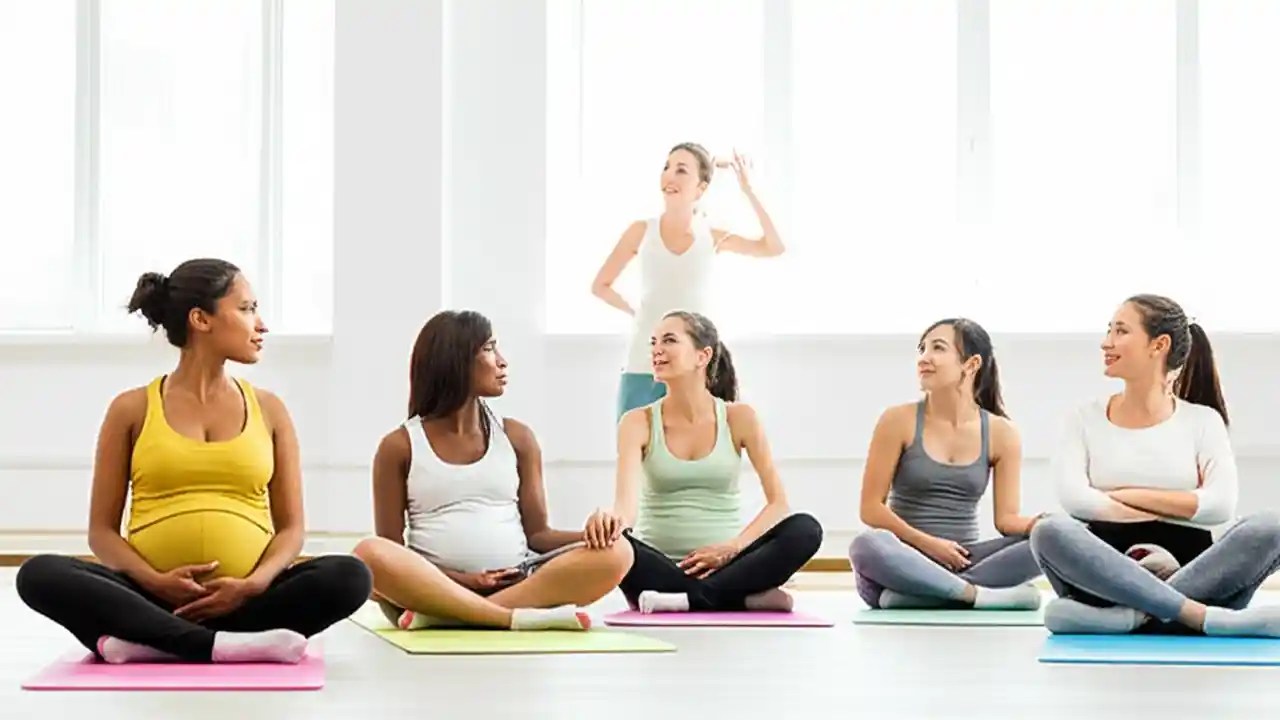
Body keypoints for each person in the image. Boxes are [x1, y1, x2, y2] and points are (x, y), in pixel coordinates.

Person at [15, 259, 371, 664]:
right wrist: (157, 582)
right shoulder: (130, 409)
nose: (262, 325)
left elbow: (292, 530)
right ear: (201, 319)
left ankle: (156, 641)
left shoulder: (270, 410)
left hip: (248, 602)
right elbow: (101, 533)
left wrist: (252, 584)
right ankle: (217, 644)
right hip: (150, 597)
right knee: (40, 573)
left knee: (349, 576)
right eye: (247, 308)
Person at [352, 310, 634, 631]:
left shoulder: (517, 437)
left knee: (619, 551)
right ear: (455, 360)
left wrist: (597, 533)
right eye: (489, 349)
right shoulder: (399, 445)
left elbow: (539, 535)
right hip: (431, 590)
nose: (502, 361)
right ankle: (500, 616)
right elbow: (391, 547)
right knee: (368, 555)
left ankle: (459, 617)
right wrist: (464, 581)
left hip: (517, 585)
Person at [1030, 294, 1280, 636]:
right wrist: (1180, 505)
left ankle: (1130, 617)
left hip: (1195, 572)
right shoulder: (1082, 418)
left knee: (1271, 526)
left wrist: (1126, 494)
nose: (1107, 342)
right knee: (1048, 530)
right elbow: (1075, 499)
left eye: (1120, 331)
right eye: (1109, 331)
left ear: (1158, 345)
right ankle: (1194, 616)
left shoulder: (1203, 421)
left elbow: (1220, 505)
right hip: (1106, 576)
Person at [585, 310, 823, 614]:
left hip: (731, 563)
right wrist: (609, 523)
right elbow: (625, 508)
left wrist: (731, 549)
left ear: (703, 356)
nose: (656, 350)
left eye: (669, 340)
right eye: (653, 342)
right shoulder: (637, 422)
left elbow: (778, 504)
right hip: (663, 566)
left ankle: (690, 599)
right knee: (617, 546)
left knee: (806, 529)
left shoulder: (740, 418)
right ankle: (737, 598)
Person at [849, 318, 1044, 610]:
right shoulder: (897, 420)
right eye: (922, 349)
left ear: (971, 364)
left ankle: (921, 595)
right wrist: (929, 544)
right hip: (904, 555)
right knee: (866, 545)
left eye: (938, 348)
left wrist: (1047, 525)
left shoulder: (1002, 433)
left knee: (1045, 542)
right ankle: (973, 595)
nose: (924, 358)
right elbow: (870, 509)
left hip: (963, 559)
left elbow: (1006, 520)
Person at [591, 143, 785, 420]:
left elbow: (773, 247)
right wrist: (637, 312)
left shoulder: (713, 236)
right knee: (635, 452)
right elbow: (601, 285)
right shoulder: (641, 231)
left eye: (681, 170)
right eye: (667, 167)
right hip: (644, 363)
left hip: (694, 366)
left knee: (695, 453)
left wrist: (749, 191)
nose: (669, 175)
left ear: (701, 187)